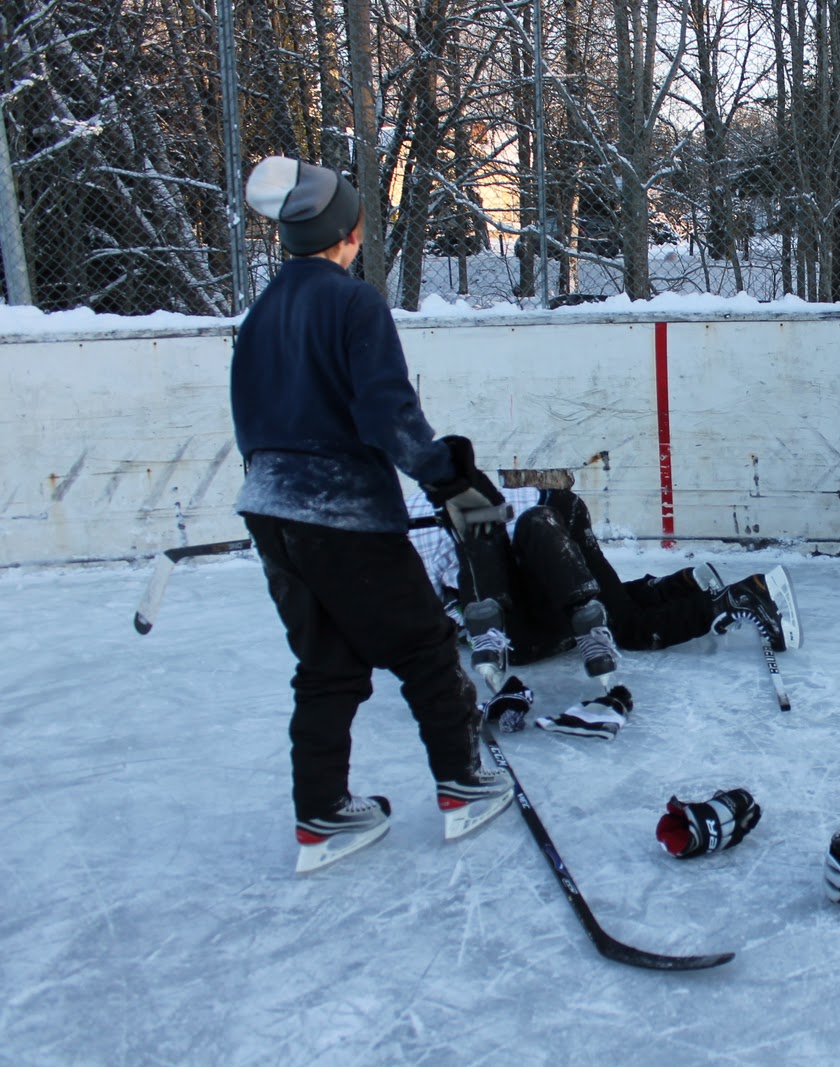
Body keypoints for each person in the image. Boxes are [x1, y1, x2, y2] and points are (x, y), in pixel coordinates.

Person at [233, 156, 514, 873]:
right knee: (423, 646)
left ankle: (321, 812)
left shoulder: (259, 314)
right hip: (343, 512)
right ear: (347, 231)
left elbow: (250, 425)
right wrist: (449, 476)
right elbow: (386, 415)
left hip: (268, 511)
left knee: (326, 664)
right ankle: (463, 781)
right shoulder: (355, 304)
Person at [406, 484, 800, 732]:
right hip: (550, 514)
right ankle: (676, 587)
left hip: (542, 528)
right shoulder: (405, 515)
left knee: (627, 631)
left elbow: (457, 607)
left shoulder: (408, 550)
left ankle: (740, 599)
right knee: (603, 603)